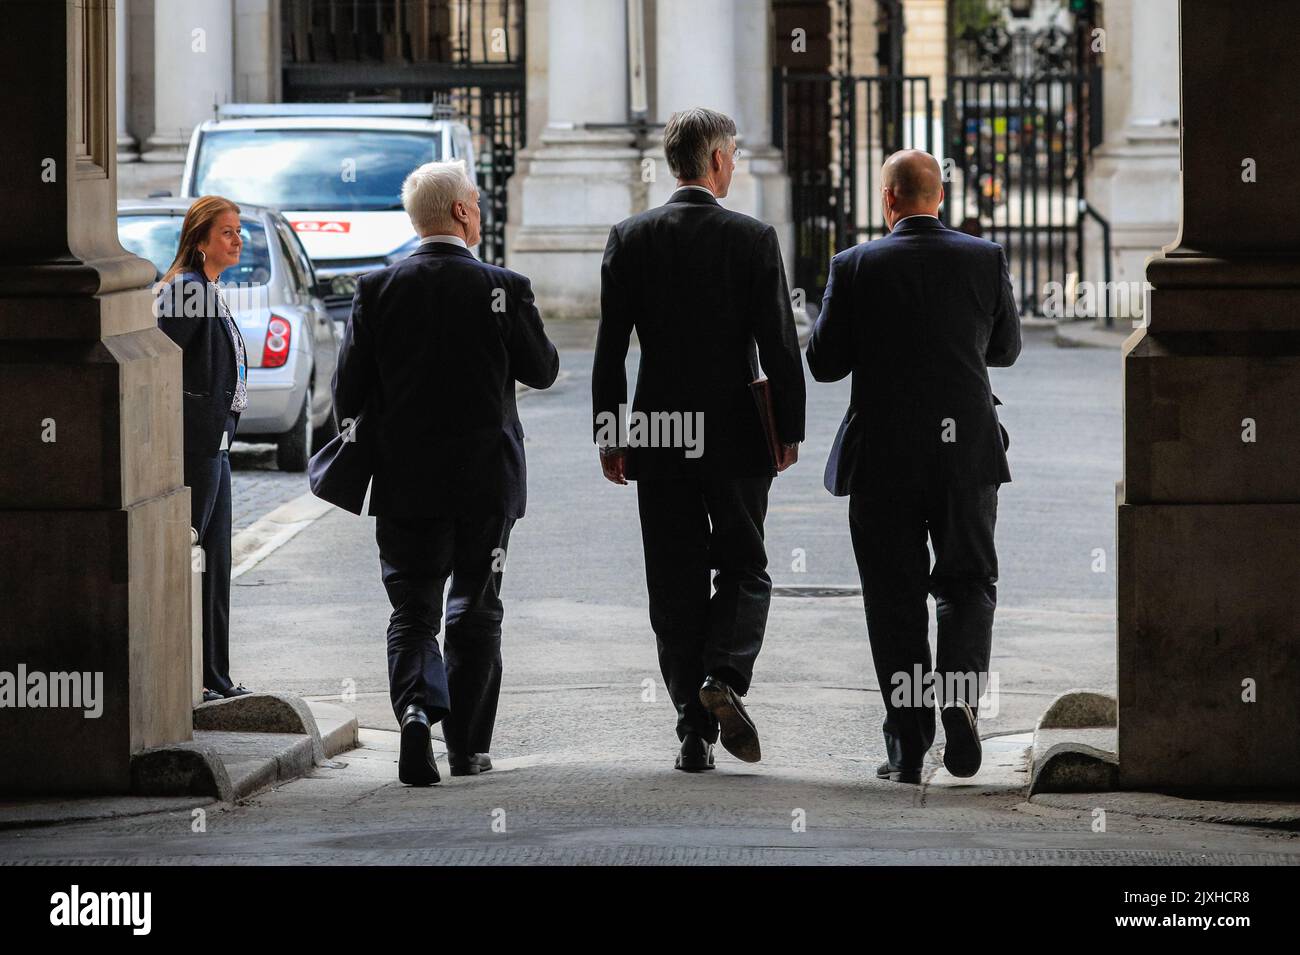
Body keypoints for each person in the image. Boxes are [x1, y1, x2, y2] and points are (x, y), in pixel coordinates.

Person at [332, 160, 559, 786]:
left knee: (413, 610)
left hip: (406, 483)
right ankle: (466, 749)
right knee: (477, 607)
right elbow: (543, 370)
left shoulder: (377, 288)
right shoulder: (504, 286)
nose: (481, 211)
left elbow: (347, 394)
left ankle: (413, 712)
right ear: (461, 212)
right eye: (478, 202)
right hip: (486, 481)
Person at [592, 107, 806, 773]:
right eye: (734, 156)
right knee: (744, 564)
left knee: (673, 580)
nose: (735, 166)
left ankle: (692, 727)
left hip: (657, 433)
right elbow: (779, 343)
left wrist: (610, 432)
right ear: (715, 161)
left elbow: (608, 352)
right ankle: (723, 674)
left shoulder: (630, 236)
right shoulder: (752, 237)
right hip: (738, 433)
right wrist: (790, 429)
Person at [805, 149, 1021, 784]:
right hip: (968, 455)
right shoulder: (985, 258)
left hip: (884, 458)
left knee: (893, 600)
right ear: (941, 199)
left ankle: (907, 743)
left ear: (887, 200)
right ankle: (960, 698)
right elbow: (1005, 350)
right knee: (968, 583)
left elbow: (824, 363)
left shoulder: (855, 265)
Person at [155, 195, 254, 702]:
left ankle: (215, 676)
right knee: (193, 558)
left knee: (215, 562)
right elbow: (160, 365)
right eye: (227, 233)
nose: (238, 241)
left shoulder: (208, 289)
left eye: (239, 232)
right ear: (199, 240)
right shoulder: (186, 290)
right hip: (196, 448)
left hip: (218, 446)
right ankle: (192, 674)